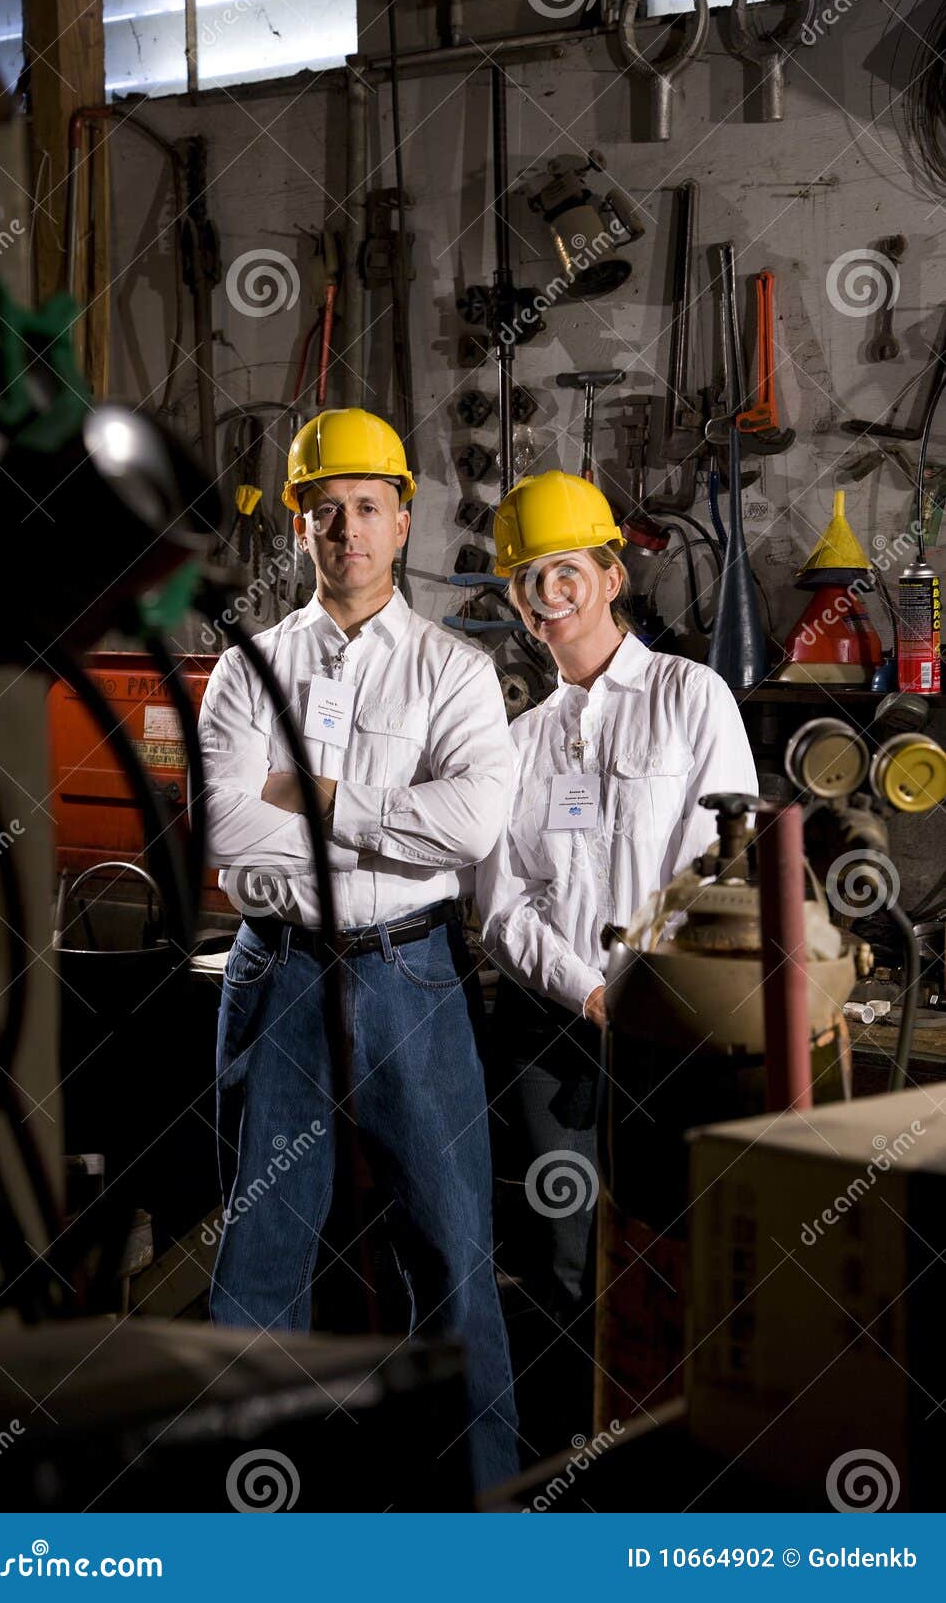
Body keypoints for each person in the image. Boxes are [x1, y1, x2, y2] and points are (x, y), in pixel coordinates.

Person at [197, 406, 519, 1492]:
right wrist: (391, 813)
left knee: (453, 1258)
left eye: (366, 508)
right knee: (256, 1264)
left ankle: (480, 1519)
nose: (346, 530)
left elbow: (472, 824)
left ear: (402, 517)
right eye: (323, 511)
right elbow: (227, 833)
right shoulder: (247, 669)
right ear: (298, 526)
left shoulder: (454, 671)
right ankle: (250, 1527)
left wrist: (315, 795)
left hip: (410, 977)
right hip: (278, 971)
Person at [477, 468, 758, 1453]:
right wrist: (585, 988)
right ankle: (568, 1458)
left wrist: (636, 992)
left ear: (606, 574)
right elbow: (500, 907)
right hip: (553, 1037)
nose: (543, 595)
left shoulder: (691, 698)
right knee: (560, 1255)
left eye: (561, 571)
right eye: (522, 580)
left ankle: (674, 1459)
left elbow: (719, 873)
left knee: (666, 1251)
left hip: (669, 1036)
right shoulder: (513, 742)